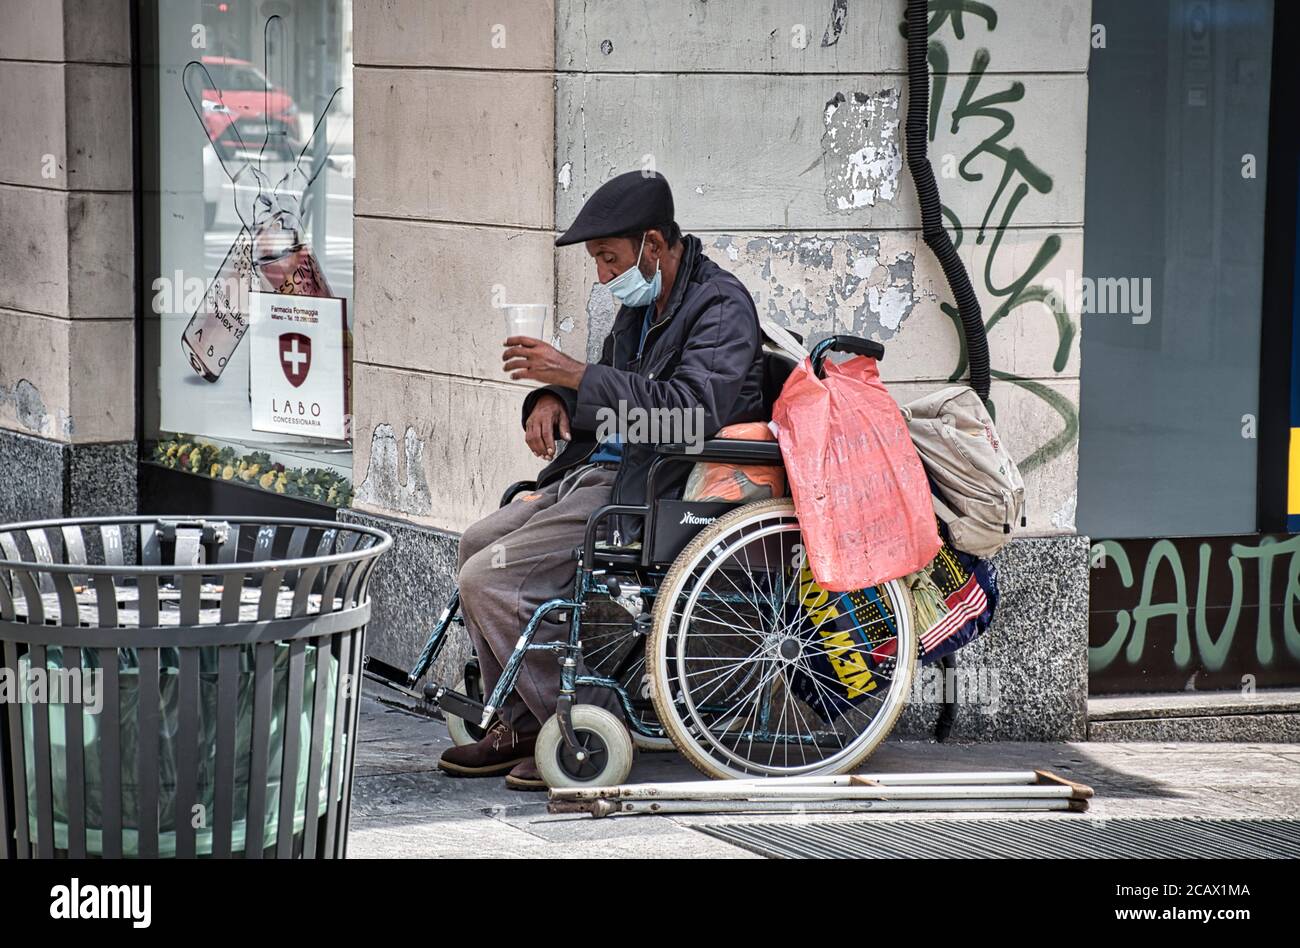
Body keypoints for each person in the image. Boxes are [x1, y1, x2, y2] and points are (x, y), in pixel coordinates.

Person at [437, 170, 766, 789]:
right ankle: (518, 719)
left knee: (491, 579)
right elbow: (617, 399)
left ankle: (569, 722)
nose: (602, 275)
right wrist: (554, 397)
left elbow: (689, 415)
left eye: (608, 259)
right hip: (604, 471)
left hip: (652, 487)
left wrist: (579, 375)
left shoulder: (720, 307)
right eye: (595, 261)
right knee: (476, 543)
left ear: (651, 244)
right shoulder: (642, 312)